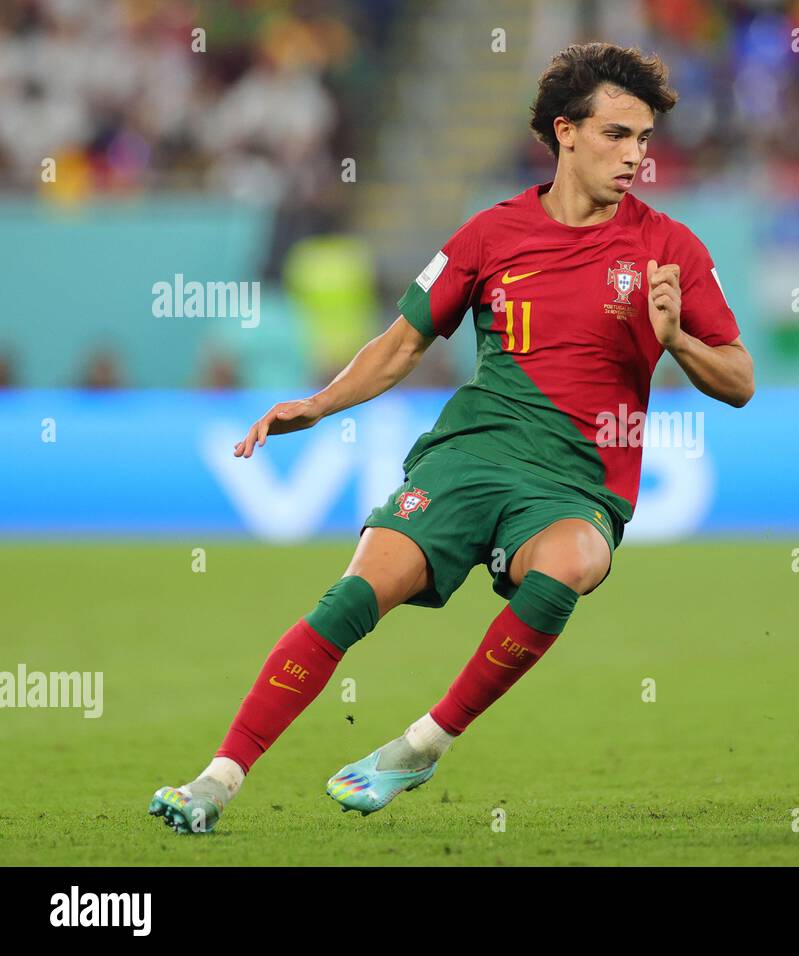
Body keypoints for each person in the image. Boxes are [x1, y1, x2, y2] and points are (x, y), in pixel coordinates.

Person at [150, 42, 754, 833]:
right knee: (355, 597)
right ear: (566, 132)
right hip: (472, 453)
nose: (636, 156)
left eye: (644, 139)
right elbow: (401, 344)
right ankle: (216, 780)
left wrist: (676, 340)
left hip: (577, 481)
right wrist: (321, 404)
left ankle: (422, 744)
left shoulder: (668, 248)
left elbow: (739, 381)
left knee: (570, 562)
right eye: (617, 135)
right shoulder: (489, 236)